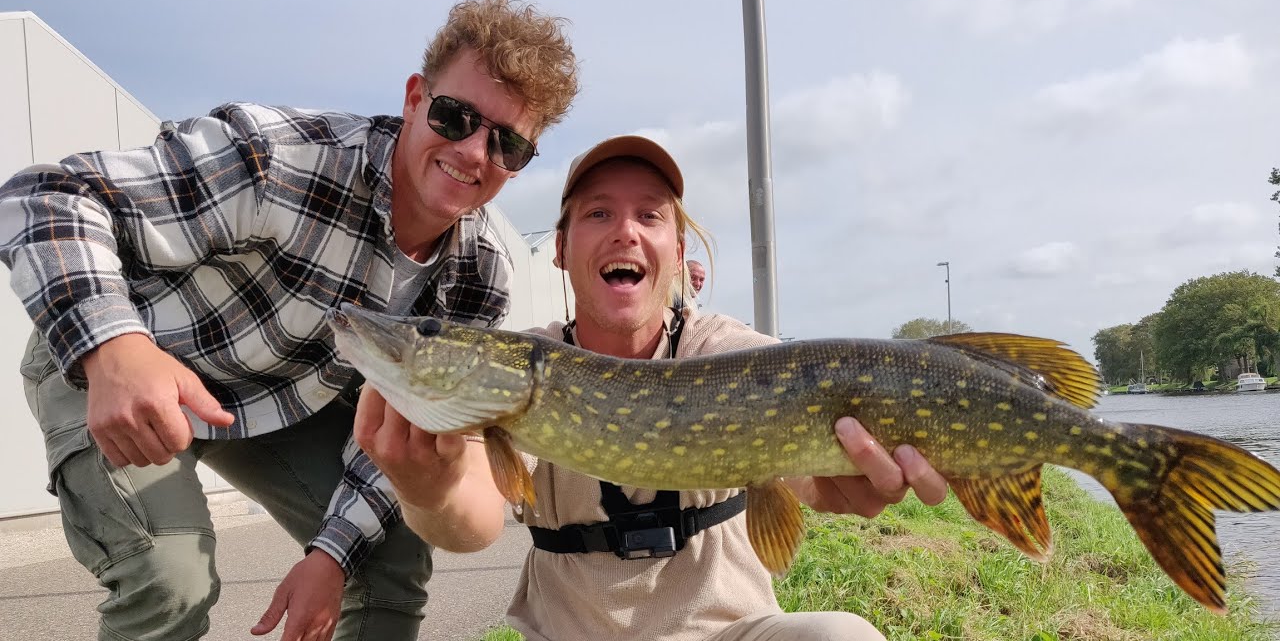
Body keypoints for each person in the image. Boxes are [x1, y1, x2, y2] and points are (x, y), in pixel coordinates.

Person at [0, 0, 578, 641]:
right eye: (454, 116)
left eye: (508, 144)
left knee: (389, 557)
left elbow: (398, 433)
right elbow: (48, 196)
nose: (476, 153)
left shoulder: (477, 277)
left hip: (272, 393)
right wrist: (112, 348)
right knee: (168, 577)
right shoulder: (282, 158)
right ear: (415, 98)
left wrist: (331, 555)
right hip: (118, 353)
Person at [356, 135, 949, 640]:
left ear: (678, 251)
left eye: (650, 215)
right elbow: (475, 518)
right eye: (597, 214)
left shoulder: (728, 355)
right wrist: (426, 487)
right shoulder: (531, 367)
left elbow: (809, 474)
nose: (625, 233)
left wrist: (831, 478)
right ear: (560, 249)